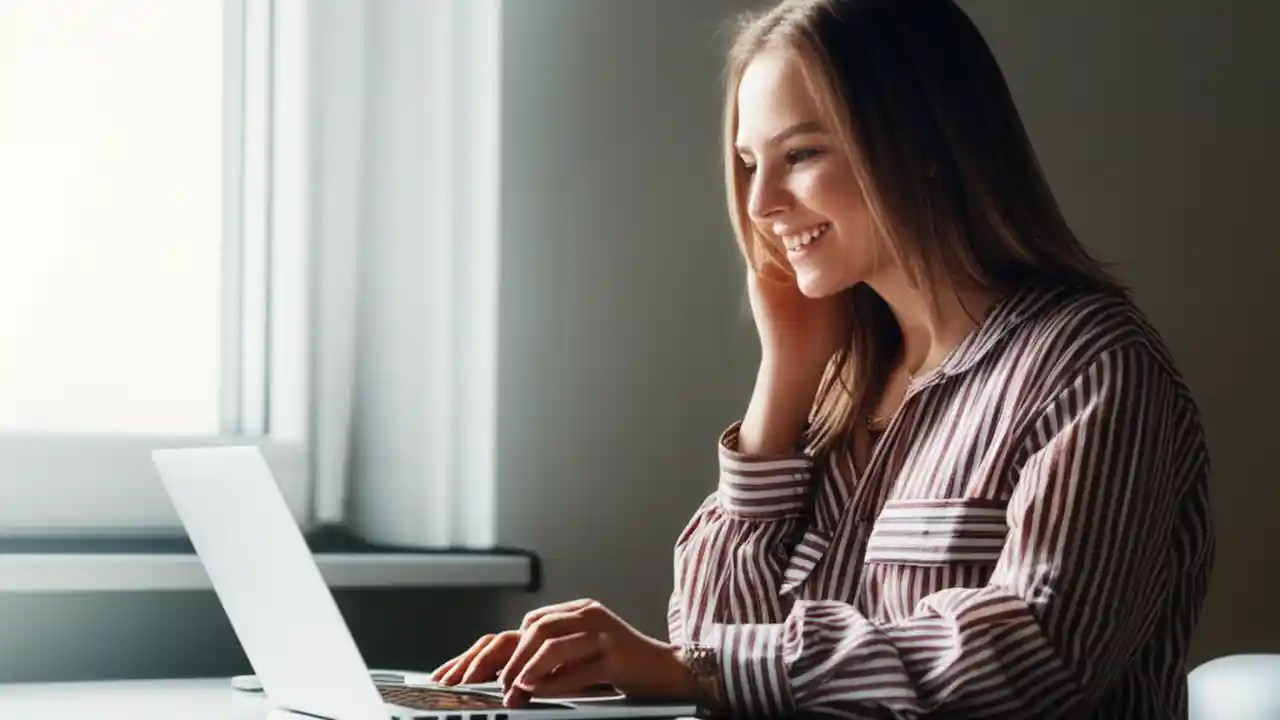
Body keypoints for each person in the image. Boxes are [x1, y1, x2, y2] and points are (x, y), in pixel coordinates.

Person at [430, 0, 1215, 716]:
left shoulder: (1094, 370)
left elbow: (1033, 659)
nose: (760, 204)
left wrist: (694, 668)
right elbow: (709, 639)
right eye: (748, 163)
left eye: (799, 154)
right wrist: (784, 384)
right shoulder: (844, 380)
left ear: (926, 145)